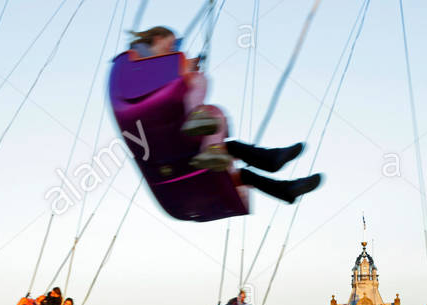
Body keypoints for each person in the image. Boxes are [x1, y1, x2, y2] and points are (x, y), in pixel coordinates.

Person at [128, 26, 322, 205]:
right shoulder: (141, 55)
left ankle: (282, 183)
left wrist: (187, 67)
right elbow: (152, 74)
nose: (172, 49)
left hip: (180, 143)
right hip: (162, 128)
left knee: (231, 152)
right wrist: (186, 69)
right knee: (210, 107)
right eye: (170, 44)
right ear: (157, 37)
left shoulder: (159, 65)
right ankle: (269, 161)